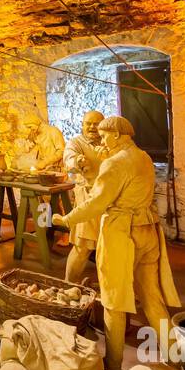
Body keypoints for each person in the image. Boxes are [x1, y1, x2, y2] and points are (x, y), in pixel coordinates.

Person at [53, 116, 179, 370]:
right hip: (147, 230)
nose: (101, 139)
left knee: (114, 301)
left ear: (118, 135)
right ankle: (177, 358)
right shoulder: (143, 156)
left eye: (105, 134)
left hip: (122, 234)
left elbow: (97, 203)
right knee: (152, 298)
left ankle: (112, 366)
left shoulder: (115, 163)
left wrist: (67, 219)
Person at [62, 110, 105, 283]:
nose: (92, 127)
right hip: (88, 198)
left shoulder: (109, 142)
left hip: (110, 199)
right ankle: (67, 285)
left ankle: (111, 290)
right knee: (83, 245)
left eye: (96, 124)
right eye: (88, 123)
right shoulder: (76, 143)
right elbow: (69, 159)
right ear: (82, 124)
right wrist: (77, 162)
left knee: (110, 245)